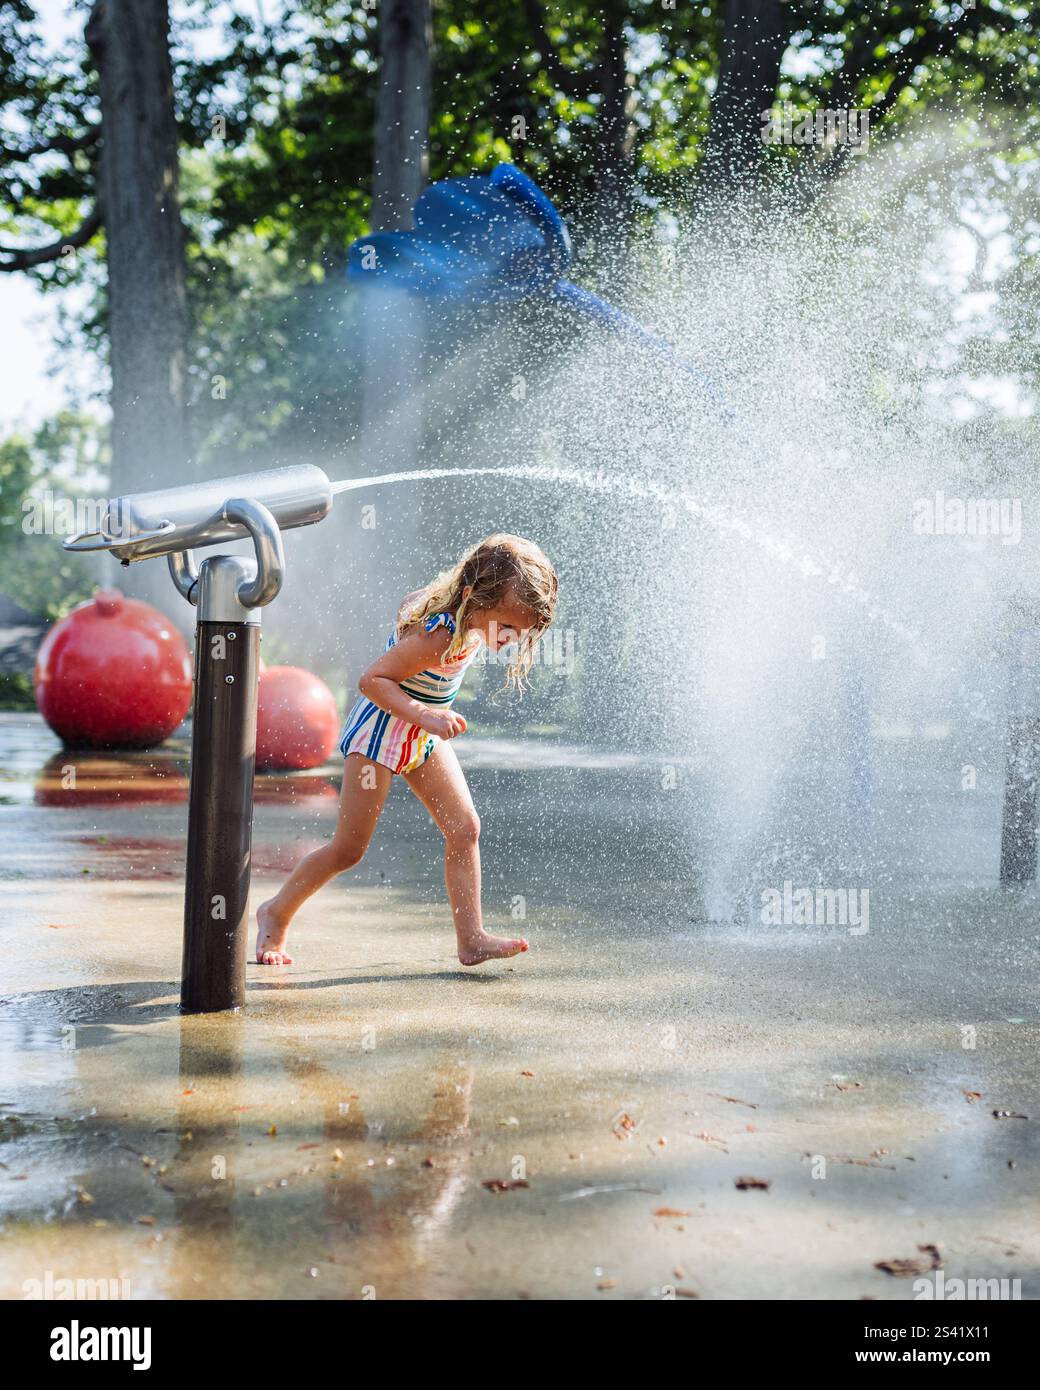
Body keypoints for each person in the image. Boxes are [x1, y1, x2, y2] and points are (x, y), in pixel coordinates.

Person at [255, 533, 558, 967]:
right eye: (506, 626)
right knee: (347, 850)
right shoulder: (440, 635)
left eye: (518, 631)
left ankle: (471, 938)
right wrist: (427, 716)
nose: (510, 637)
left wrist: (425, 720)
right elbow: (371, 681)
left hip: (419, 735)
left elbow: (413, 601)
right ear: (474, 596)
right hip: (379, 737)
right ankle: (276, 912)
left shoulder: (464, 616)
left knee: (464, 827)